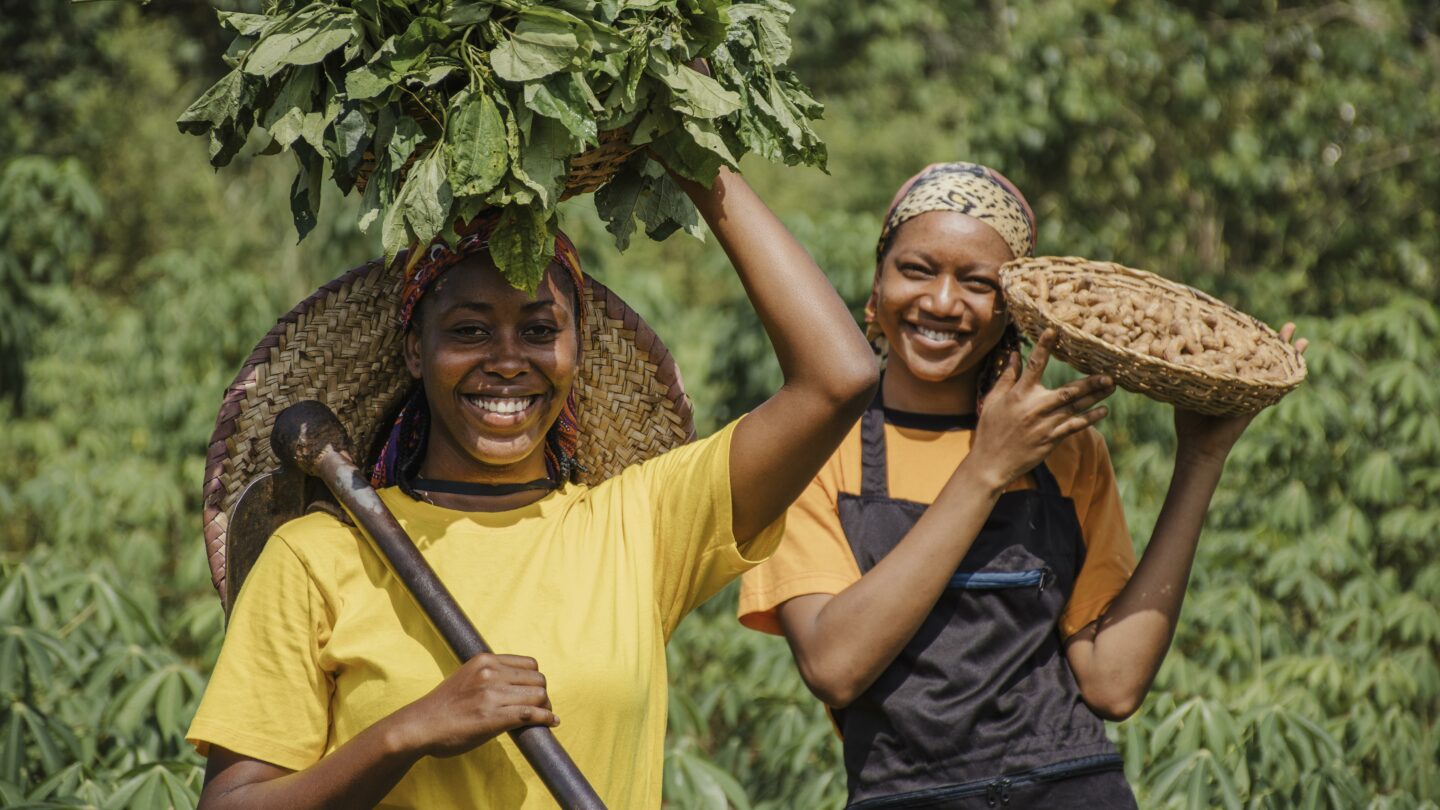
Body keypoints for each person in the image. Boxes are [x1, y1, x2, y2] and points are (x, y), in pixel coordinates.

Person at [186, 164, 878, 809]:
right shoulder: (317, 556)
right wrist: (411, 731)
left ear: (577, 349)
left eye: (540, 329)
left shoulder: (638, 526)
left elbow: (838, 378)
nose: (508, 361)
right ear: (413, 351)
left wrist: (696, 156)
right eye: (470, 331)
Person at [738, 162, 1308, 808]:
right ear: (877, 284)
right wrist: (985, 470)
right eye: (917, 269)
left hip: (1072, 788)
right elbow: (834, 666)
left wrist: (1200, 459)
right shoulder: (815, 451)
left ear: (1011, 307)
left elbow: (1113, 685)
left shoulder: (1064, 450)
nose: (943, 302)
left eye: (977, 282)